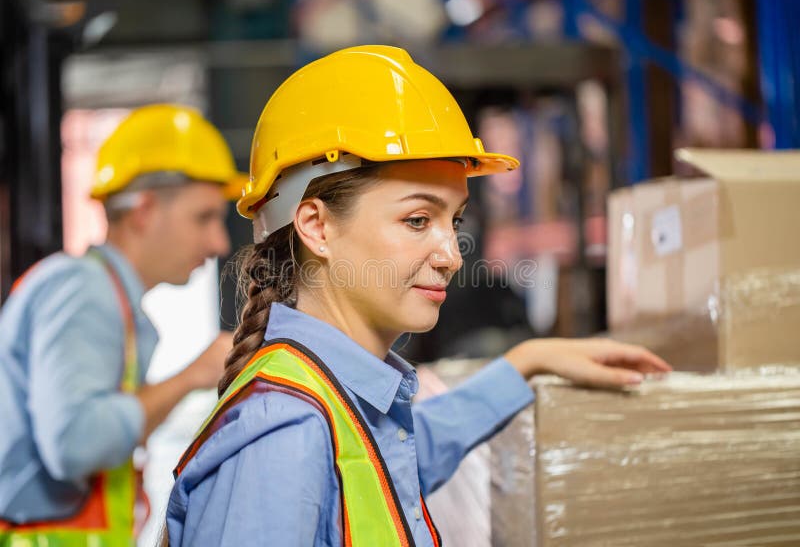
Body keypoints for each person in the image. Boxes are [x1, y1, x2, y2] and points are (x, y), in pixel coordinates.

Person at [165, 46, 671, 547]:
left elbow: (395, 460)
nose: (451, 254)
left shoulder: (332, 403)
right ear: (317, 226)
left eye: (455, 221)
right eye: (417, 220)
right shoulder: (283, 435)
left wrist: (525, 364)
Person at [0, 104, 247, 546]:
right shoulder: (83, 292)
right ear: (145, 210)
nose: (219, 242)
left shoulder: (106, 298)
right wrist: (193, 375)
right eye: (204, 217)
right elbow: (75, 445)